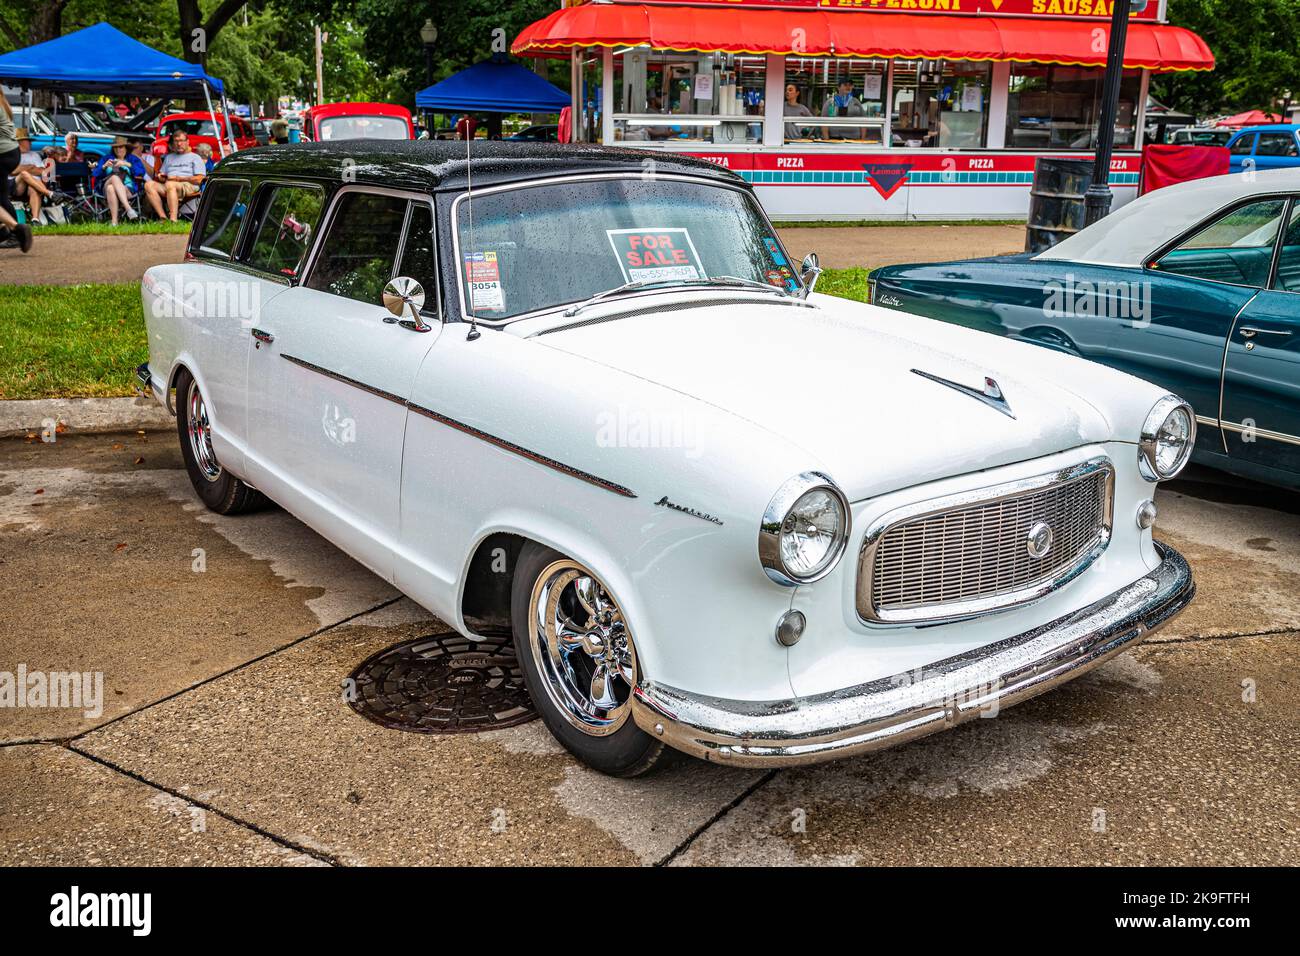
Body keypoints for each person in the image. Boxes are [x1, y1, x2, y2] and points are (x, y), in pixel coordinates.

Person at [143, 129, 206, 222]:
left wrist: (178, 179)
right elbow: (162, 177)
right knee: (149, 184)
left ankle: (173, 219)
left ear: (187, 142)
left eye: (181, 141)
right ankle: (163, 217)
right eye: (176, 141)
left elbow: (200, 179)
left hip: (188, 185)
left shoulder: (195, 157)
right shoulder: (169, 157)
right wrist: (161, 177)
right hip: (169, 186)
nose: (179, 144)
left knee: (170, 184)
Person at [0, 88, 33, 252]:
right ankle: (7, 233)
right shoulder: (2, 101)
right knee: (2, 197)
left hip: (3, 153)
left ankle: (15, 229)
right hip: (11, 153)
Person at [94, 136, 147, 225]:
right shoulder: (106, 159)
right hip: (106, 186)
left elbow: (141, 172)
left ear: (126, 148)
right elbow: (95, 174)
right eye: (115, 147)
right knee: (114, 178)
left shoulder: (132, 159)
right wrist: (104, 167)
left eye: (121, 147)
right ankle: (128, 209)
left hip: (127, 189)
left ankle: (114, 222)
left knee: (111, 188)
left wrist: (127, 164)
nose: (118, 150)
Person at [9, 128, 56, 226]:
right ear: (19, 142)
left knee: (33, 188)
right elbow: (12, 171)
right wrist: (30, 167)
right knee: (23, 174)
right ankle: (49, 193)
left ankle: (35, 220)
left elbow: (43, 172)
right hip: (14, 187)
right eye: (28, 141)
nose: (30, 143)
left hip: (34, 186)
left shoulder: (34, 155)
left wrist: (23, 168)